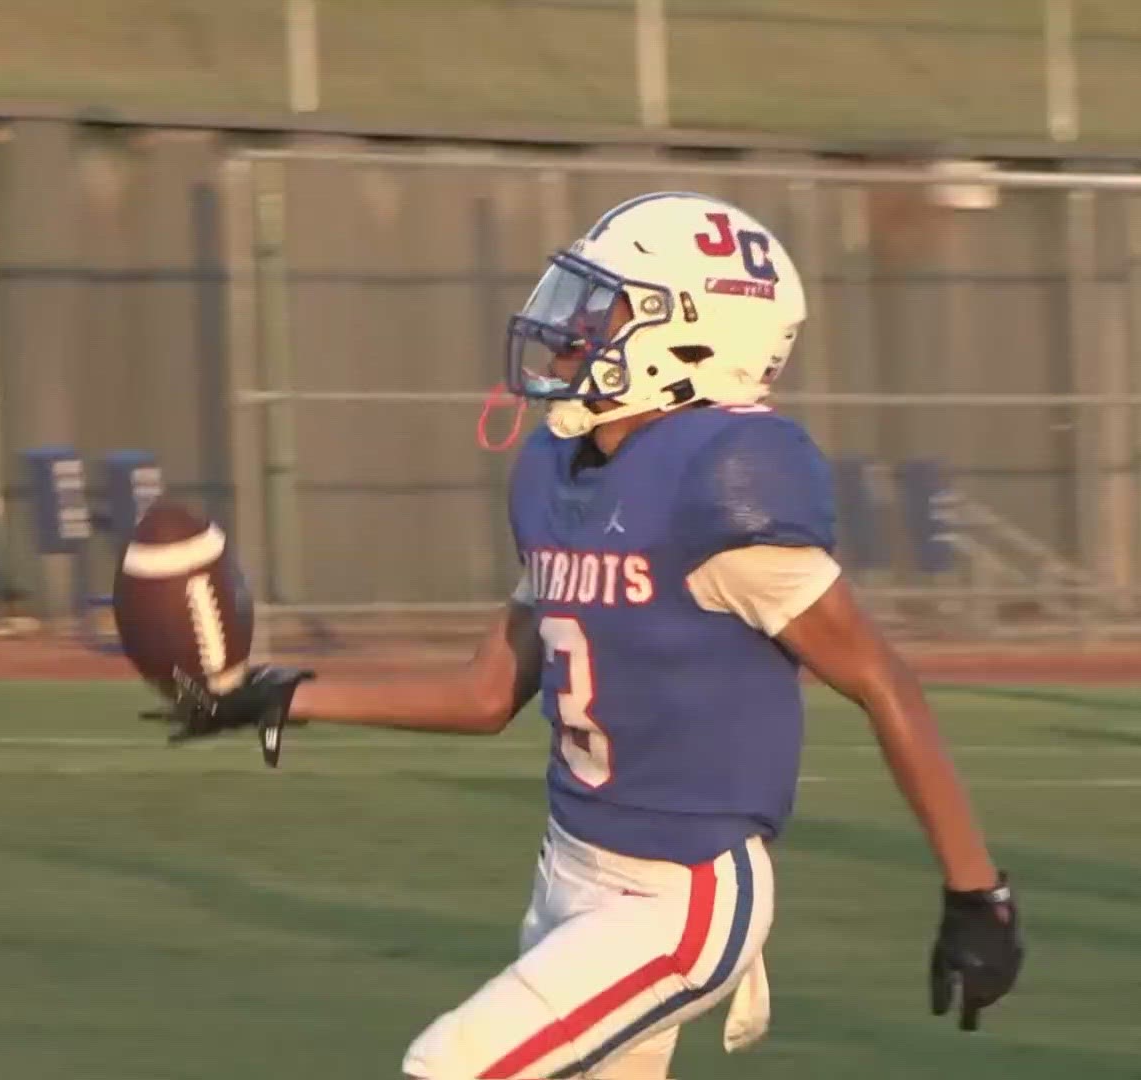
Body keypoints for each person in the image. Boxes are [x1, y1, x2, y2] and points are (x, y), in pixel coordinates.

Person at [152, 191, 1023, 1078]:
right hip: (567, 871)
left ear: (691, 337)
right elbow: (488, 691)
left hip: (679, 897)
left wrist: (973, 890)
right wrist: (289, 696)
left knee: (447, 1067)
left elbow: (882, 681)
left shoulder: (719, 486)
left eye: (605, 307)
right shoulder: (564, 472)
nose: (568, 328)